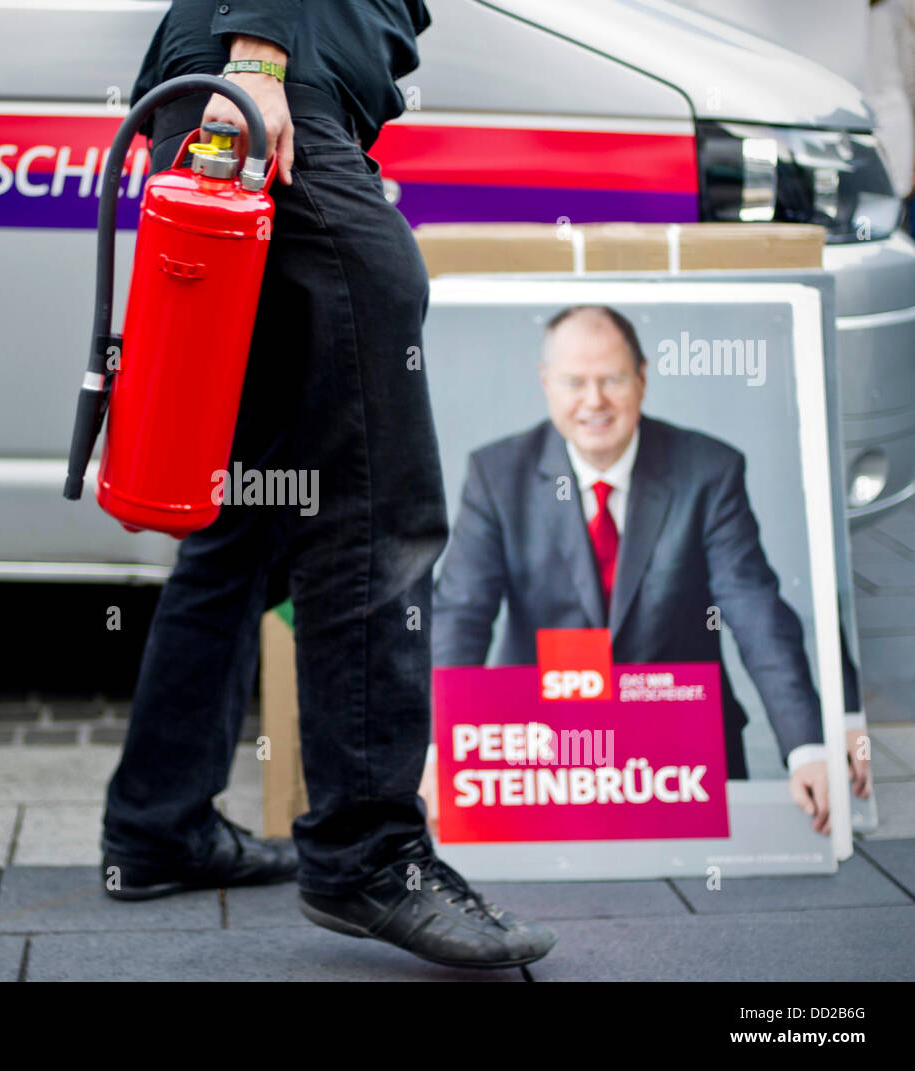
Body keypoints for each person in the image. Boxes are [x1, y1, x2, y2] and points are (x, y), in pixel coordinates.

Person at [98, 0, 556, 970]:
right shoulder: (262, 57)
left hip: (263, 73)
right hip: (269, 68)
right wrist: (260, 57)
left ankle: (160, 824)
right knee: (373, 501)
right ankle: (367, 853)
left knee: (259, 504)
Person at [431, 306, 873, 835]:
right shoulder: (497, 475)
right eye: (575, 382)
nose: (594, 401)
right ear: (547, 384)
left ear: (642, 378)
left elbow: (755, 610)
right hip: (542, 748)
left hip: (680, 751)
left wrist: (806, 748)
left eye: (612, 379)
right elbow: (460, 614)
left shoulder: (708, 470)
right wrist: (440, 746)